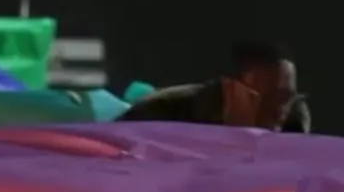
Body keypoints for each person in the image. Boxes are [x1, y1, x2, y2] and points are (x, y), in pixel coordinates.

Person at [118, 41, 312, 132]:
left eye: (286, 98)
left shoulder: (293, 125)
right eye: (268, 98)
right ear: (231, 89)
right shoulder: (159, 114)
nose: (279, 111)